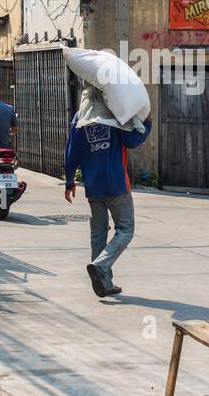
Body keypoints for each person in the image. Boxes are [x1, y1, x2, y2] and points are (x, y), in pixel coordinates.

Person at [64, 104, 152, 297]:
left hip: (93, 184)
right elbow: (132, 139)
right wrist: (147, 124)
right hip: (116, 183)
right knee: (126, 230)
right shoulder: (116, 110)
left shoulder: (80, 116)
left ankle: (105, 283)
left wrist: (69, 181)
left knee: (98, 233)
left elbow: (71, 154)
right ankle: (100, 265)